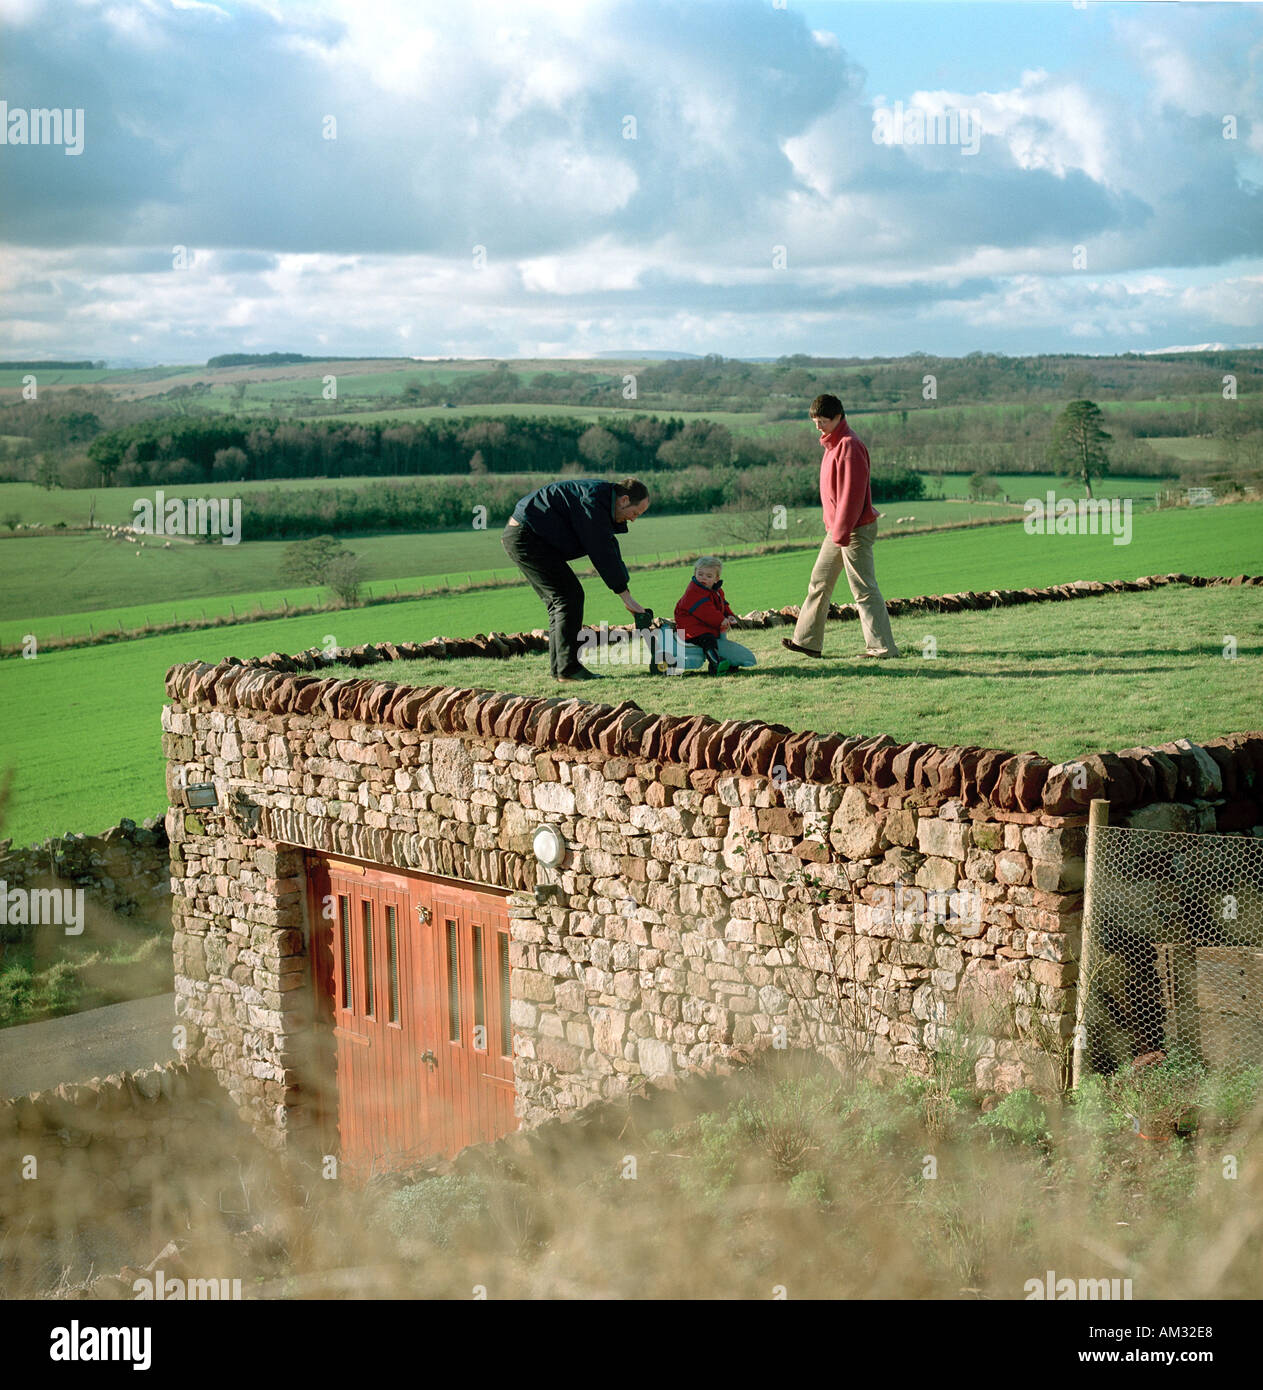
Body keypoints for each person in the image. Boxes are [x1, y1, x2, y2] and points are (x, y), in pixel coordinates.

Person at [782, 393, 900, 661]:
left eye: (822, 421)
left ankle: (883, 649)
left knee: (863, 589)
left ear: (838, 417)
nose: (818, 426)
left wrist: (842, 532)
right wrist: (836, 530)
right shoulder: (832, 445)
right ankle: (807, 642)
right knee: (819, 582)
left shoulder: (849, 446)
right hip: (837, 530)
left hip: (854, 530)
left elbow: (852, 495)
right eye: (814, 421)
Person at [502, 476, 650, 682]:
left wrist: (625, 592)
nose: (634, 519)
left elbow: (608, 544)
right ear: (624, 500)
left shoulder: (601, 499)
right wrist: (625, 597)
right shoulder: (593, 501)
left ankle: (561, 669)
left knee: (562, 600)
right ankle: (567, 669)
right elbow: (601, 549)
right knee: (568, 597)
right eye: (635, 513)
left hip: (528, 536)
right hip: (526, 537)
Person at [671, 556, 757, 674]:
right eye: (700, 574)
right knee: (708, 640)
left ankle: (727, 661)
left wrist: (729, 615)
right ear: (694, 573)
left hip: (704, 625)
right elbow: (706, 611)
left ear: (716, 579)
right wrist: (720, 620)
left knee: (716, 640)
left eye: (709, 576)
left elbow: (723, 604)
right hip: (691, 629)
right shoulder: (694, 592)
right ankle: (715, 663)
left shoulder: (716, 591)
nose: (703, 578)